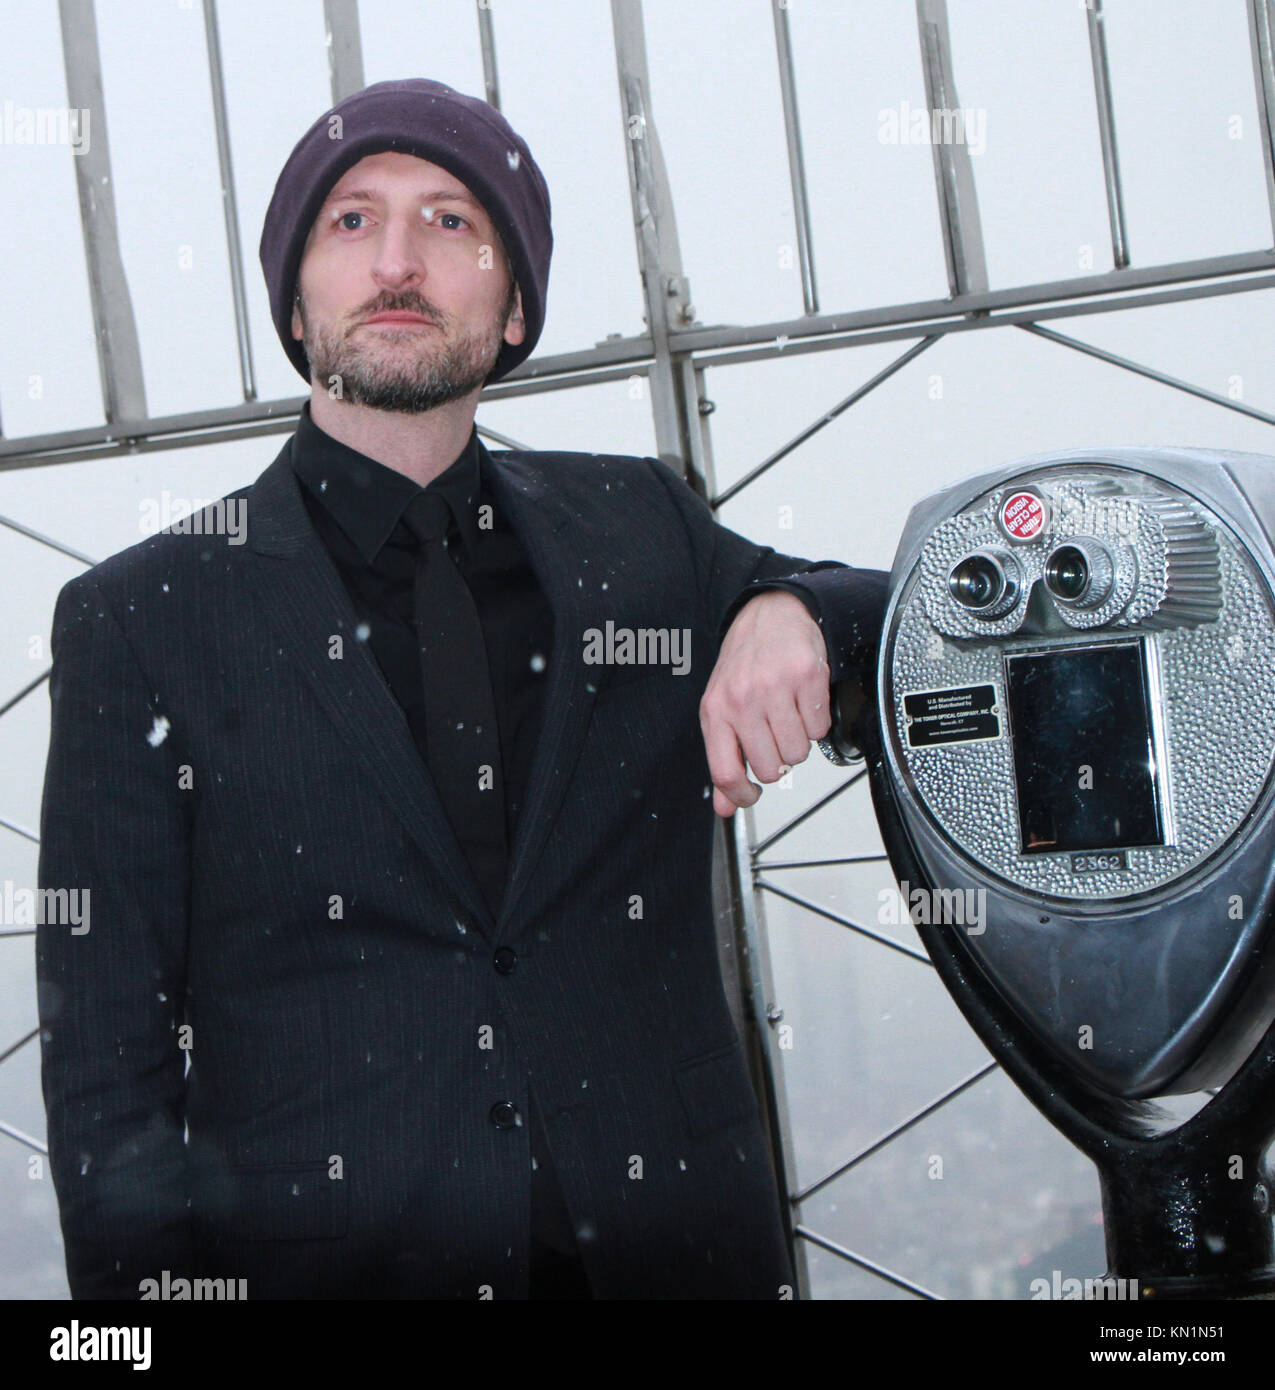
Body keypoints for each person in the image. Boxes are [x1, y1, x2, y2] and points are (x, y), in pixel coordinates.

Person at [36, 78, 887, 1300]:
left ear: (518, 300)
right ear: (294, 297)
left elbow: (892, 620)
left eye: (450, 222)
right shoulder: (144, 617)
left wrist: (792, 609)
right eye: (350, 221)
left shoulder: (638, 525)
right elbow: (107, 1059)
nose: (396, 259)